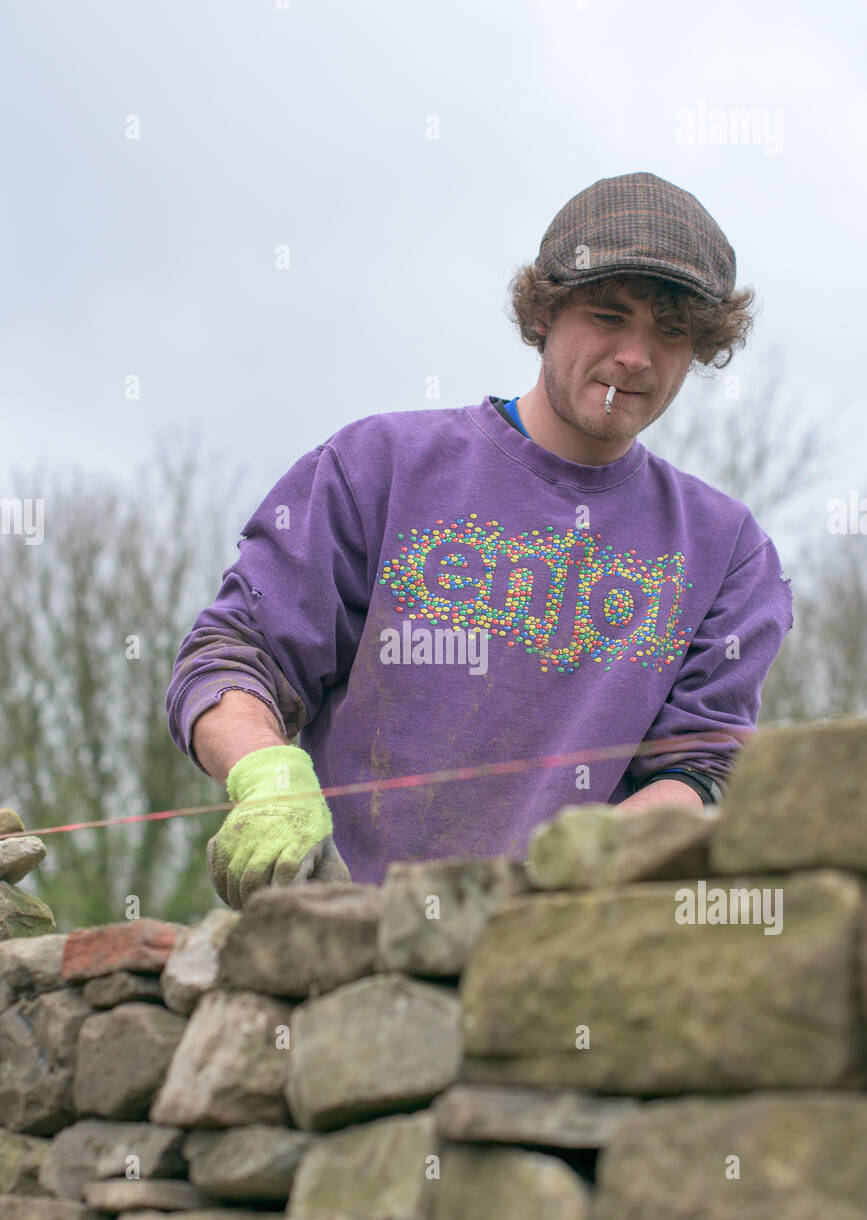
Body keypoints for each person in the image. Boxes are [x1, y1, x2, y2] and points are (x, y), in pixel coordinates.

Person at [165, 171, 793, 907]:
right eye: (607, 314)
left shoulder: (726, 551)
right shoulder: (380, 467)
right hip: (340, 956)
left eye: (671, 332)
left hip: (566, 960)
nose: (635, 355)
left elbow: (701, 769)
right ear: (544, 314)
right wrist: (265, 771)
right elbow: (231, 659)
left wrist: (559, 881)